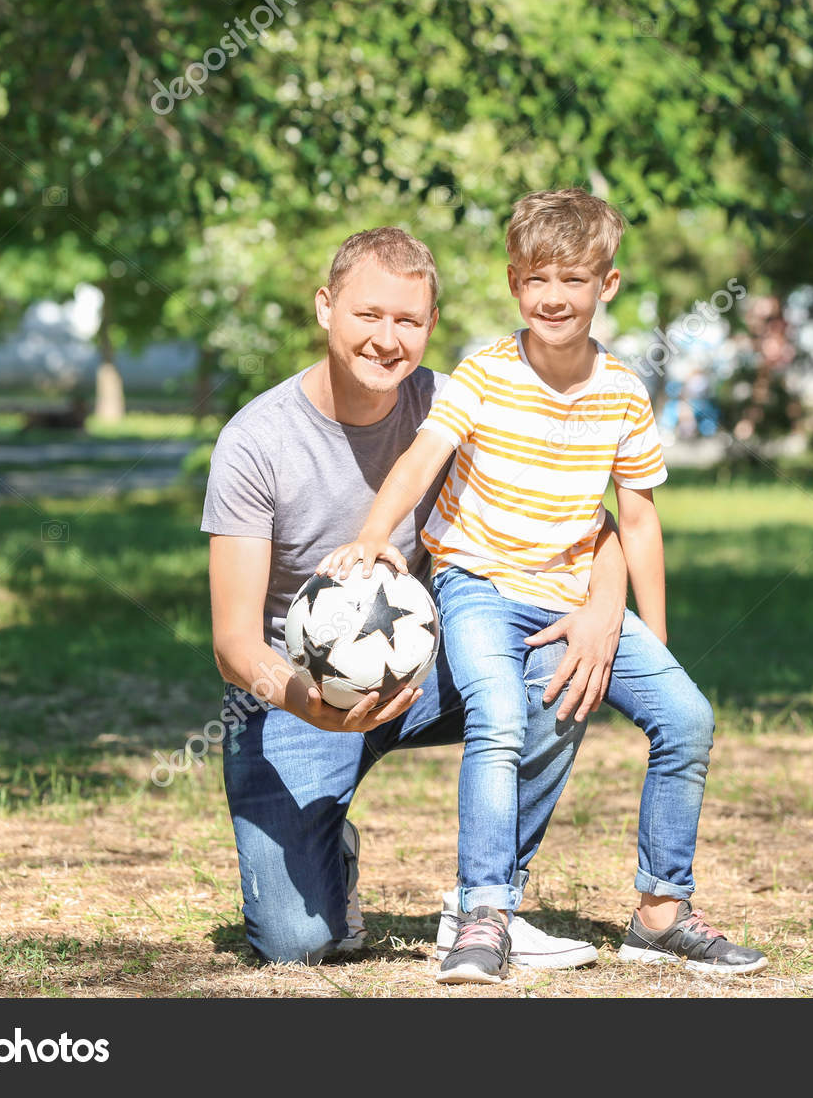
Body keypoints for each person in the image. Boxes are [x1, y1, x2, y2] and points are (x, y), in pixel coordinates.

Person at [320, 189, 768, 982]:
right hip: (478, 584)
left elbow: (636, 524)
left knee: (688, 717)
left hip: (572, 595)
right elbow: (421, 460)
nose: (552, 296)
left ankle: (660, 911)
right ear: (512, 282)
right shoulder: (485, 373)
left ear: (610, 284)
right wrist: (371, 538)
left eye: (572, 278)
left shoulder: (625, 392)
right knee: (499, 712)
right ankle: (483, 912)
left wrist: (650, 636)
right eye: (534, 279)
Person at [203, 226, 632, 968]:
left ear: (431, 327)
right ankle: (329, 847)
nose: (385, 338)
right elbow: (234, 643)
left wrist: (603, 607)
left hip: (431, 666)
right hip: (295, 695)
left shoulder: (455, 402)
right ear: (325, 308)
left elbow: (586, 517)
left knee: (562, 662)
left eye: (407, 320)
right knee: (298, 945)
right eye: (368, 314)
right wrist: (311, 700)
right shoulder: (256, 441)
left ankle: (486, 905)